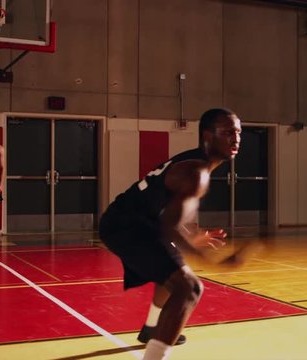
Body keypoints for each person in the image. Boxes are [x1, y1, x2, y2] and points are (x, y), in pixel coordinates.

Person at [99, 108, 241, 360]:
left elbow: (170, 213)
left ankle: (151, 328)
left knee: (174, 266)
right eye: (228, 132)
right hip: (126, 225)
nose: (236, 138)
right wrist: (212, 259)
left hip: (137, 221)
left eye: (239, 132)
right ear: (208, 135)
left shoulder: (193, 162)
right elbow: (169, 226)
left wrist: (193, 235)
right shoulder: (196, 172)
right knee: (189, 288)